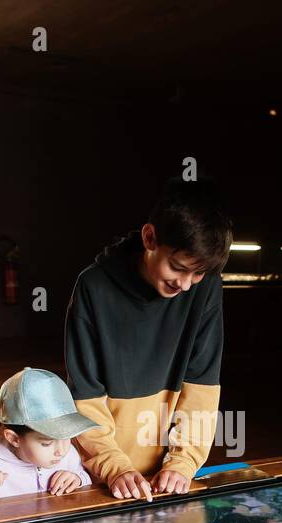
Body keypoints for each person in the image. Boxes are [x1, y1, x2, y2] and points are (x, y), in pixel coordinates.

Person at [64, 177, 232, 501]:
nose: (185, 285)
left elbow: (202, 389)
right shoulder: (93, 288)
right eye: (177, 268)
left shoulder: (205, 288)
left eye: (198, 274)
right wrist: (115, 468)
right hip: (97, 473)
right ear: (149, 237)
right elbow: (84, 398)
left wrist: (182, 463)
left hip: (167, 479)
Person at [0, 367, 97, 506]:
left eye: (66, 436)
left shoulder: (68, 454)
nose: (61, 451)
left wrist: (79, 478)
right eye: (46, 443)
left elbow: (84, 480)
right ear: (14, 439)